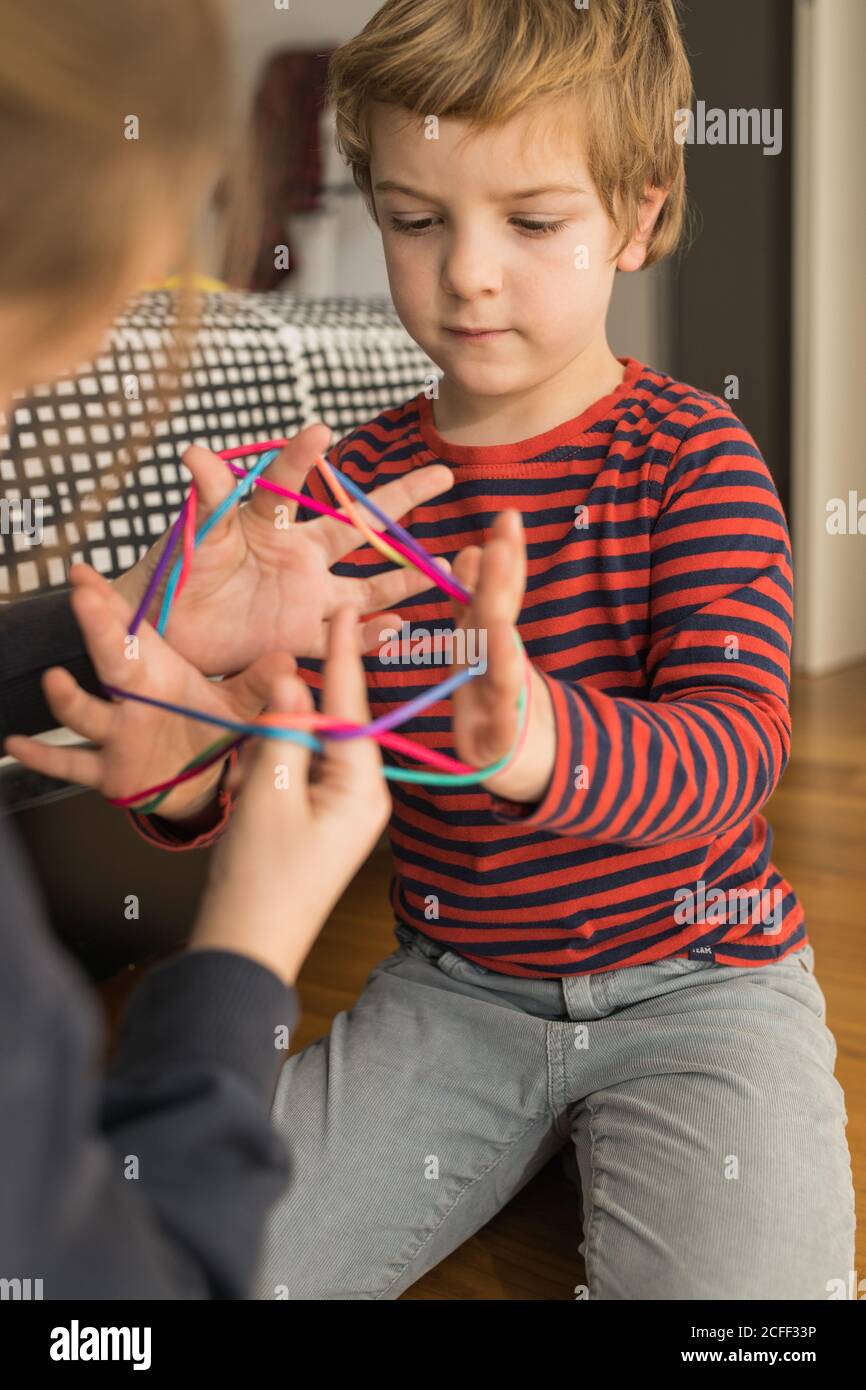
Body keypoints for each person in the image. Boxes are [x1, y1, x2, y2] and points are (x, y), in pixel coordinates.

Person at [0, 0, 451, 1298]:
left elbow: (728, 745)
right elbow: (124, 1311)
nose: (468, 273)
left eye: (533, 220)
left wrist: (147, 612)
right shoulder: (363, 463)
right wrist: (244, 924)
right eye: (413, 221)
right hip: (437, 988)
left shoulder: (691, 458)